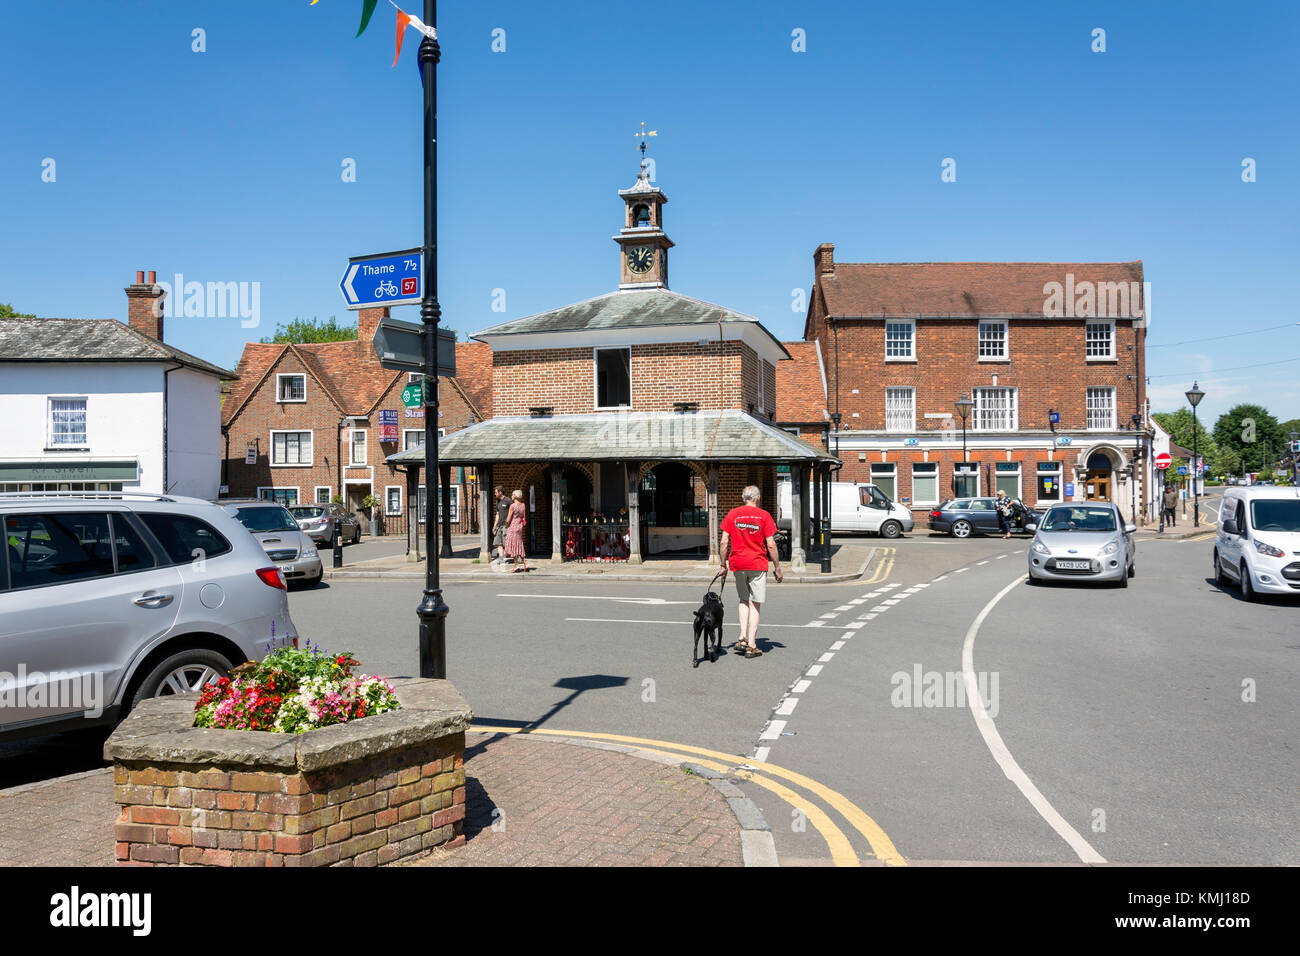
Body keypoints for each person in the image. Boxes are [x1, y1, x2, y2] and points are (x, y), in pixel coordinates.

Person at [719, 485, 783, 659]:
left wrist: (723, 564)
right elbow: (771, 544)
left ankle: (742, 637)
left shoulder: (732, 514)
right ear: (758, 498)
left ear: (743, 498)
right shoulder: (764, 516)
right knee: (755, 602)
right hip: (757, 563)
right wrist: (777, 567)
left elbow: (724, 542)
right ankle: (752, 645)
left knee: (743, 599)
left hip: (737, 562)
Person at [503, 489, 529, 572]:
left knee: (512, 545)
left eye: (512, 494)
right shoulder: (523, 505)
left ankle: (516, 565)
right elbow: (524, 518)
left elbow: (508, 518)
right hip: (519, 527)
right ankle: (525, 564)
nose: (511, 496)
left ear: (515, 496)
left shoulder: (513, 506)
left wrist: (506, 525)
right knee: (519, 544)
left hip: (513, 527)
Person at [492, 485, 509, 562]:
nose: (495, 494)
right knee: (498, 543)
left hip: (506, 526)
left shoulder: (508, 501)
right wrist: (494, 526)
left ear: (500, 492)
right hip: (499, 525)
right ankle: (501, 559)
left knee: (507, 543)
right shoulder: (497, 502)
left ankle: (517, 557)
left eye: (496, 492)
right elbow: (497, 514)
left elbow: (513, 512)